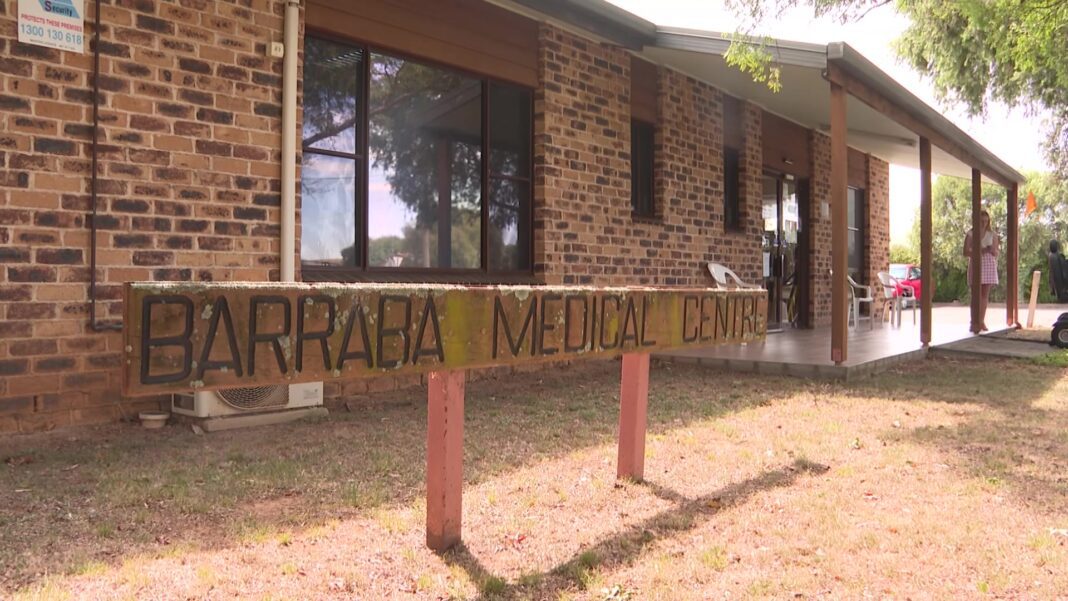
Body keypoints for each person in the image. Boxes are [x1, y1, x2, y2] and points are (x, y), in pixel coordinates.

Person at [962, 209, 999, 331]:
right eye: (981, 221)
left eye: (986, 221)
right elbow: (965, 252)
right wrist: (978, 251)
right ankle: (973, 322)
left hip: (988, 263)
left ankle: (981, 321)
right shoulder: (971, 234)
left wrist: (991, 250)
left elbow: (996, 252)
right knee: (975, 295)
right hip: (976, 262)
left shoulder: (992, 234)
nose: (983, 223)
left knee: (984, 295)